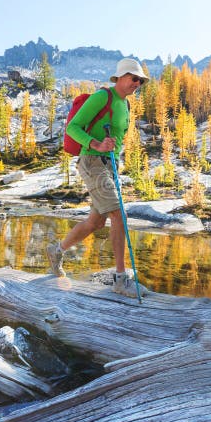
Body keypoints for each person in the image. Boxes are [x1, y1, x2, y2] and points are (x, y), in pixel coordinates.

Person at [47, 58, 150, 298]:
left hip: (108, 166)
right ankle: (121, 280)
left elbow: (117, 139)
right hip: (92, 162)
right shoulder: (102, 97)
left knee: (96, 222)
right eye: (134, 78)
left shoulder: (125, 105)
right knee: (119, 215)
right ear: (121, 76)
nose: (137, 84)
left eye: (141, 81)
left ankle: (57, 250)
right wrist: (95, 144)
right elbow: (73, 127)